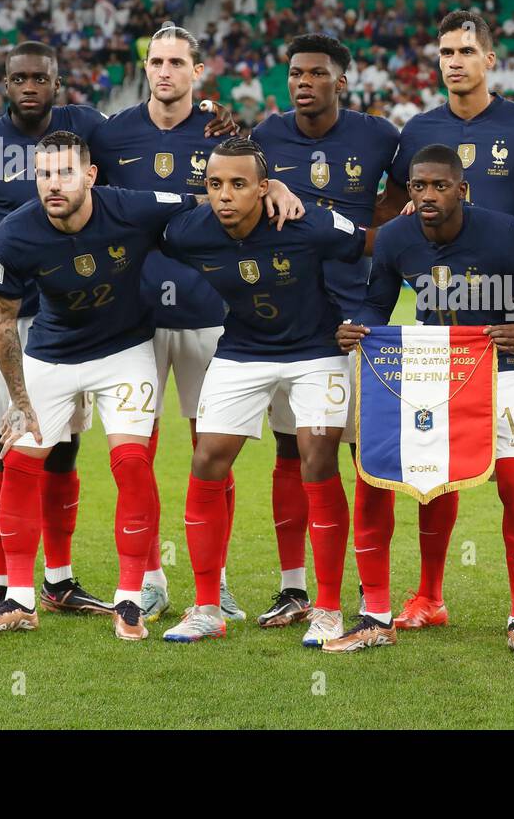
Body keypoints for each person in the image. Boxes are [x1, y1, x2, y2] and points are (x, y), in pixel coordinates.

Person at [375, 11, 514, 632]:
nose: (454, 61)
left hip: (506, 309)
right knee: (433, 477)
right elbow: (390, 206)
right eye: (445, 52)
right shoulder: (418, 131)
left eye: (466, 51)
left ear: (490, 59)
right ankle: (429, 595)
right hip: (439, 334)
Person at [0, 131, 202, 640]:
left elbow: (203, 199)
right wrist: (21, 404)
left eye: (65, 173)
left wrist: (270, 190)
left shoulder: (133, 208)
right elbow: (4, 324)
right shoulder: (14, 233)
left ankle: (130, 599)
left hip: (124, 352)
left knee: (132, 464)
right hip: (50, 355)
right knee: (21, 462)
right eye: (45, 174)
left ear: (90, 176)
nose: (53, 184)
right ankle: (19, 600)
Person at [333, 144, 514, 659]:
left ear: (464, 190)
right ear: (408, 191)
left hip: (505, 368)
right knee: (396, 476)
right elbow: (376, 302)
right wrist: (356, 326)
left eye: (440, 185)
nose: (429, 195)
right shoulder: (394, 238)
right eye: (419, 186)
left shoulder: (502, 234)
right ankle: (383, 611)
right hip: (433, 366)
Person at [156, 137, 365, 646]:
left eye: (238, 184)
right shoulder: (188, 231)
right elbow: (131, 221)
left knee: (317, 459)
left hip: (318, 350)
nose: (224, 195)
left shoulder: (308, 224)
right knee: (207, 460)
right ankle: (208, 607)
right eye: (214, 185)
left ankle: (330, 608)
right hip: (243, 350)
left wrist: (359, 313)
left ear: (264, 188)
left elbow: (369, 244)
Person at [0, 43, 109, 622]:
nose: (29, 86)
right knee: (2, 443)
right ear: (5, 84)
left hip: (71, 316)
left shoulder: (86, 127)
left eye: (40, 77)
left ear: (58, 84)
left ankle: (58, 579)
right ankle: (0, 584)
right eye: (19, 78)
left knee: (63, 444)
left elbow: (132, 157)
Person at [89, 24, 243, 623]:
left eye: (177, 62)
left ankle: (217, 580)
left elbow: (251, 196)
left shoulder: (222, 135)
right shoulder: (112, 134)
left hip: (209, 310)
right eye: (156, 61)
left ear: (197, 71)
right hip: (132, 318)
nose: (165, 71)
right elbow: (78, 195)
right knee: (136, 452)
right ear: (145, 66)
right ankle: (150, 577)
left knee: (214, 452)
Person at [248, 32, 400, 628]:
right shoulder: (266, 136)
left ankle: (372, 592)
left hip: (357, 312)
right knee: (293, 447)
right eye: (294, 72)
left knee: (366, 452)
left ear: (342, 81)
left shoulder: (380, 135)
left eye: (315, 73)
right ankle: (294, 587)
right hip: (287, 312)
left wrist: (373, 235)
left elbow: (409, 189)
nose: (302, 81)